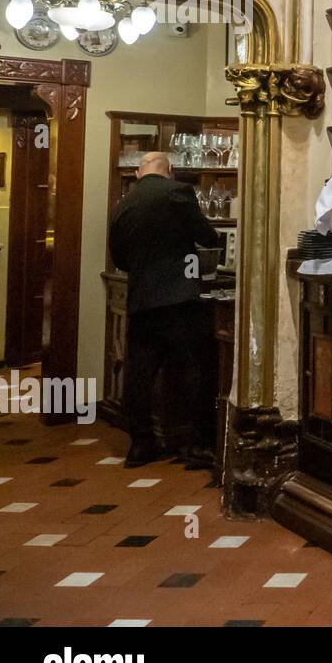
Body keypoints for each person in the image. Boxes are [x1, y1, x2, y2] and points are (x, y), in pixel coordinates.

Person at [107, 152, 221, 468]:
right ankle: (196, 444)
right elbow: (207, 236)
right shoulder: (177, 193)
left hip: (141, 300)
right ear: (169, 171)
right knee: (193, 370)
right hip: (179, 299)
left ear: (138, 172)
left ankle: (142, 444)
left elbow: (119, 258)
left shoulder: (123, 204)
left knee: (139, 376)